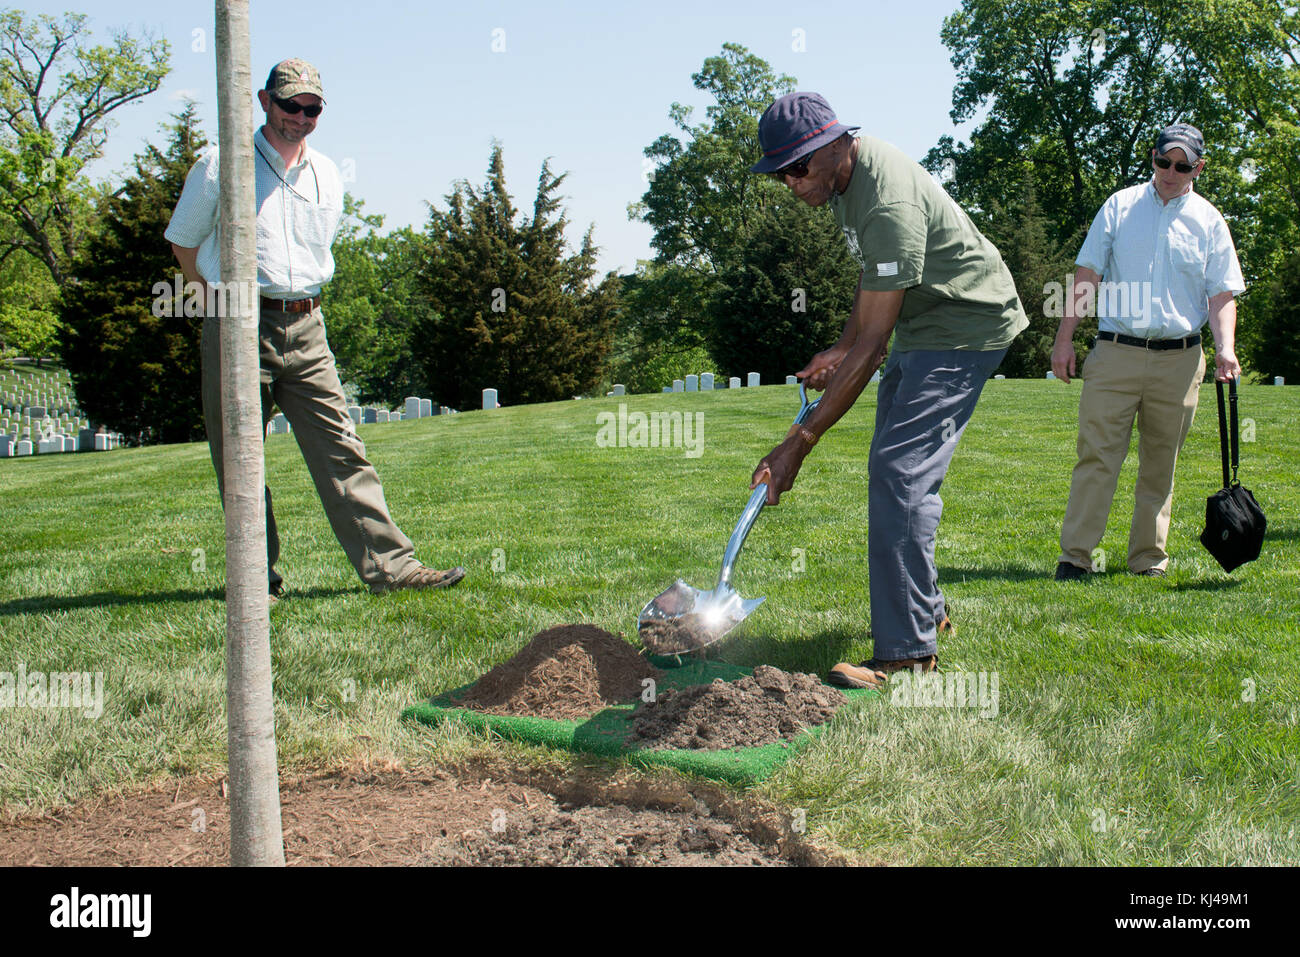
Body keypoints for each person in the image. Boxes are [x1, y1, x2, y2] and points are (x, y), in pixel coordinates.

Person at [749, 92, 1027, 689]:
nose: (793, 184)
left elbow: (875, 345)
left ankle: (906, 654)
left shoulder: (887, 202)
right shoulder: (843, 181)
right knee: (901, 470)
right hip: (925, 322)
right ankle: (927, 612)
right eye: (781, 174)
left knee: (900, 469)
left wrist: (799, 441)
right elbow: (873, 282)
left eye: (798, 167)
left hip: (966, 324)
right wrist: (840, 347)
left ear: (833, 143)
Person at [165, 58, 464, 598]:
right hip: (238, 324)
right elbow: (184, 242)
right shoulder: (221, 165)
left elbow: (313, 252)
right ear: (264, 102)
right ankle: (257, 580)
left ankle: (391, 568)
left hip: (307, 325)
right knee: (240, 459)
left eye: (312, 108)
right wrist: (213, 301)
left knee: (342, 447)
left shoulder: (328, 171)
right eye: (290, 105)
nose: (301, 116)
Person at [1052, 123, 1244, 581]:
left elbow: (1221, 295)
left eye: (1182, 165)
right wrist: (1064, 338)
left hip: (1180, 360)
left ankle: (1148, 560)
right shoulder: (1119, 207)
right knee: (1097, 457)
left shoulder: (1210, 221)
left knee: (1161, 464)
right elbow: (1087, 275)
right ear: (1152, 158)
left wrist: (1226, 349)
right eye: (1163, 162)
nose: (1170, 173)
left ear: (1198, 166)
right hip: (1115, 352)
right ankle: (1076, 557)